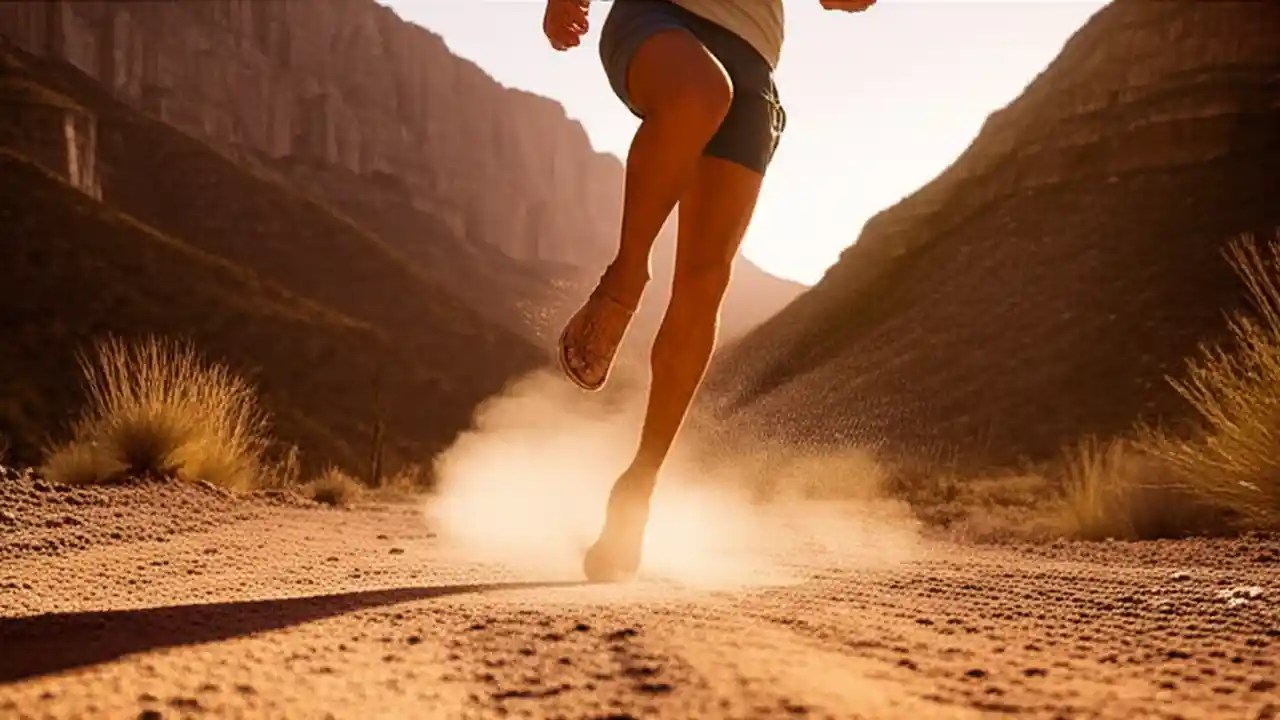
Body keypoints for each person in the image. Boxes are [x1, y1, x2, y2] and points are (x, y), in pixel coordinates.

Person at [545, 0, 877, 582]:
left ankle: (640, 485)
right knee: (700, 92)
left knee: (704, 282)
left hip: (754, 63)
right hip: (662, 19)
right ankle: (625, 277)